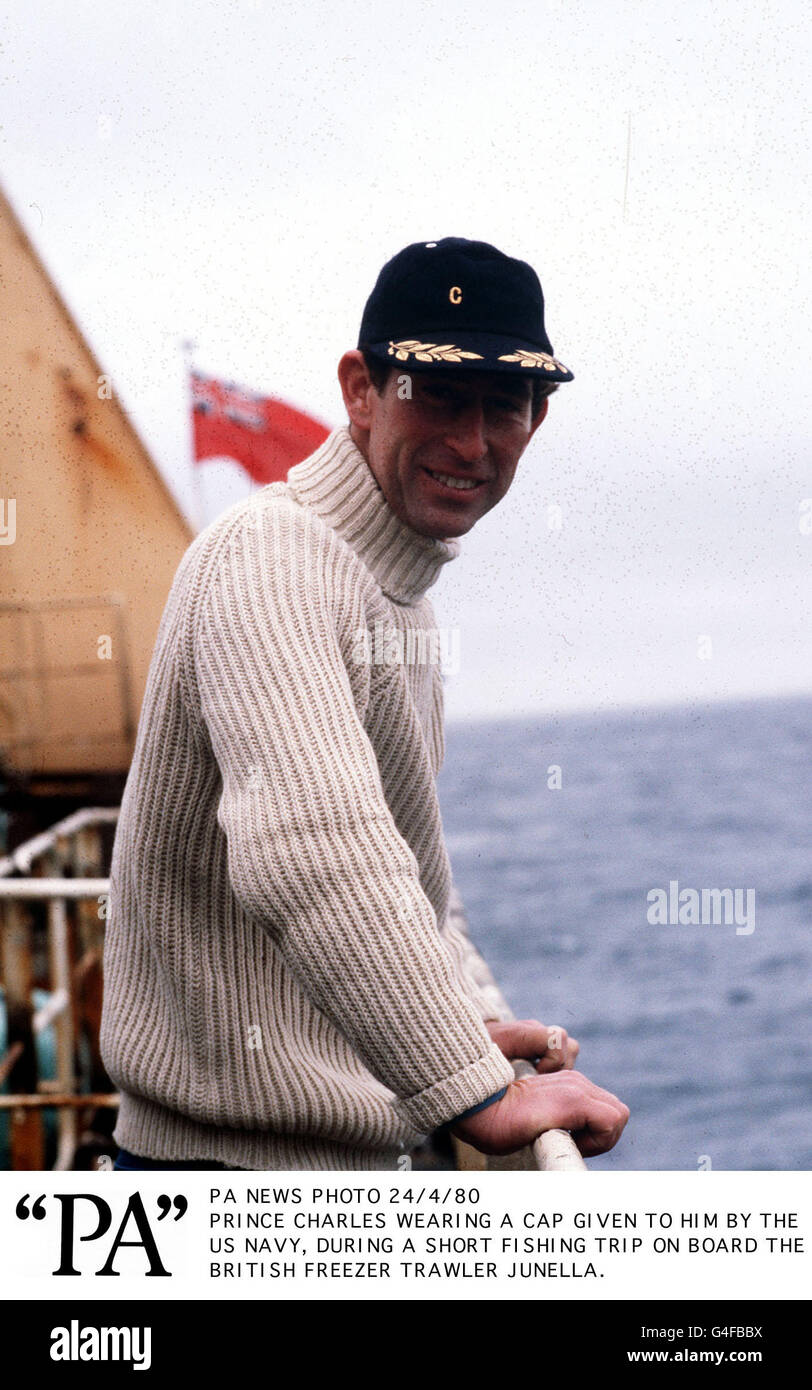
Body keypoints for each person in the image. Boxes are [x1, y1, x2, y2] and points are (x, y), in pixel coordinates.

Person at [100, 236, 629, 1170]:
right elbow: (317, 848)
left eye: (503, 405)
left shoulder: (397, 600)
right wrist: (472, 1089)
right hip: (227, 1182)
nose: (472, 442)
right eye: (440, 395)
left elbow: (408, 881)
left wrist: (466, 1027)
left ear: (537, 419)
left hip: (333, 1161)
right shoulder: (273, 557)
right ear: (360, 390)